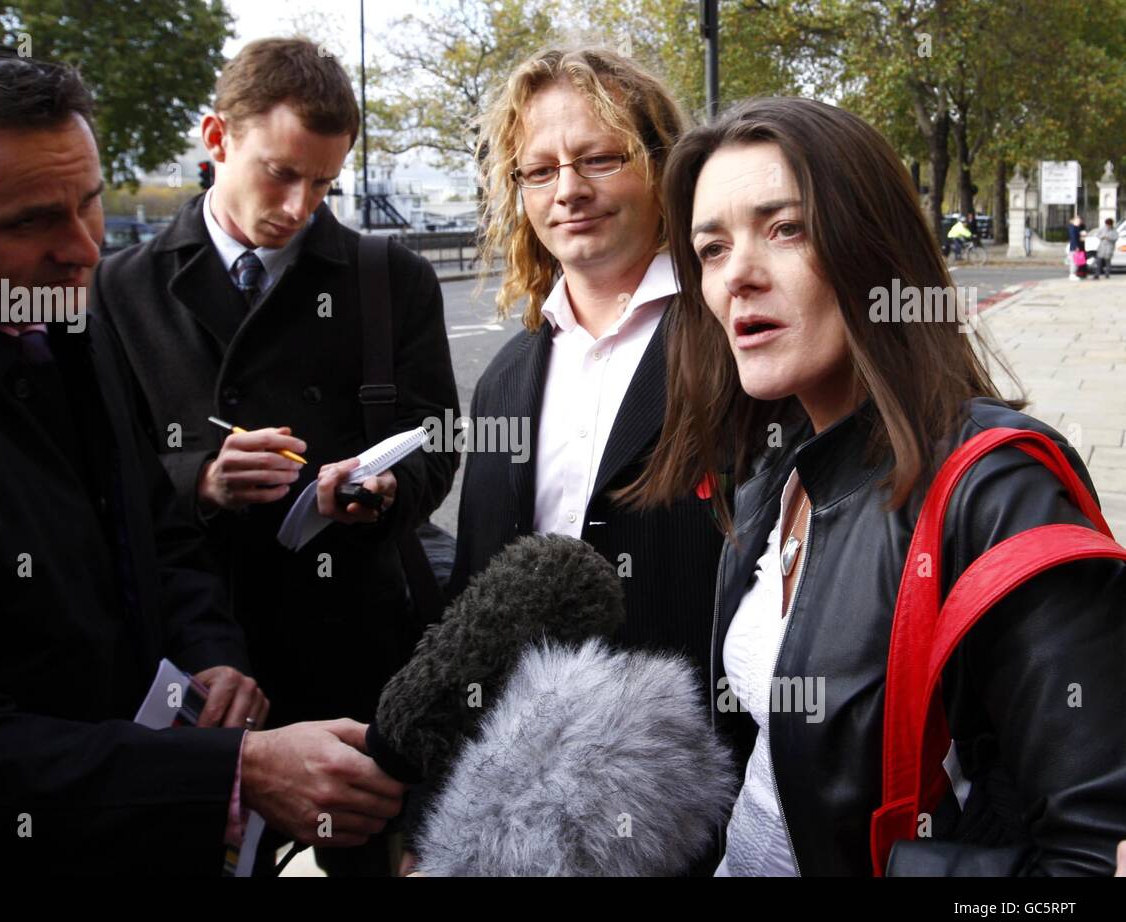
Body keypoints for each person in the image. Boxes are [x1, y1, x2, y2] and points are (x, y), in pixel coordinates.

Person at [0, 40, 404, 875]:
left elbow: (153, 526)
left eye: (89, 203)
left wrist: (212, 651)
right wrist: (230, 773)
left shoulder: (60, 318)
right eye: (31, 221)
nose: (87, 249)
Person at [629, 96, 1126, 875]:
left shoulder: (997, 493)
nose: (739, 277)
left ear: (873, 245)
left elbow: (1089, 864)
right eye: (712, 249)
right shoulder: (777, 470)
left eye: (785, 228)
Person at [88, 37, 459, 877]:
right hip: (194, 659)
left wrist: (384, 488)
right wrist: (203, 482)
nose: (301, 206)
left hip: (354, 647)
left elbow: (437, 437)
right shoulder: (119, 287)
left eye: (324, 183)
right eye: (281, 173)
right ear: (216, 137)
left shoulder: (388, 277)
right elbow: (96, 473)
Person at [406, 46, 723, 875]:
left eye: (597, 159)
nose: (567, 192)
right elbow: (480, 591)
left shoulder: (733, 343)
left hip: (699, 808)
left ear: (662, 165)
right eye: (538, 171)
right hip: (531, 819)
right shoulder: (510, 375)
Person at [1068, 214, 1087, 279]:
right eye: (1078, 221)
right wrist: (1076, 246)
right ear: (1075, 220)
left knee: (1076, 261)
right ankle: (1072, 274)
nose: (1079, 222)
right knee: (1073, 261)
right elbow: (1073, 238)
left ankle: (1074, 274)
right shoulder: (1073, 227)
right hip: (1074, 247)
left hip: (1077, 246)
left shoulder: (1076, 227)